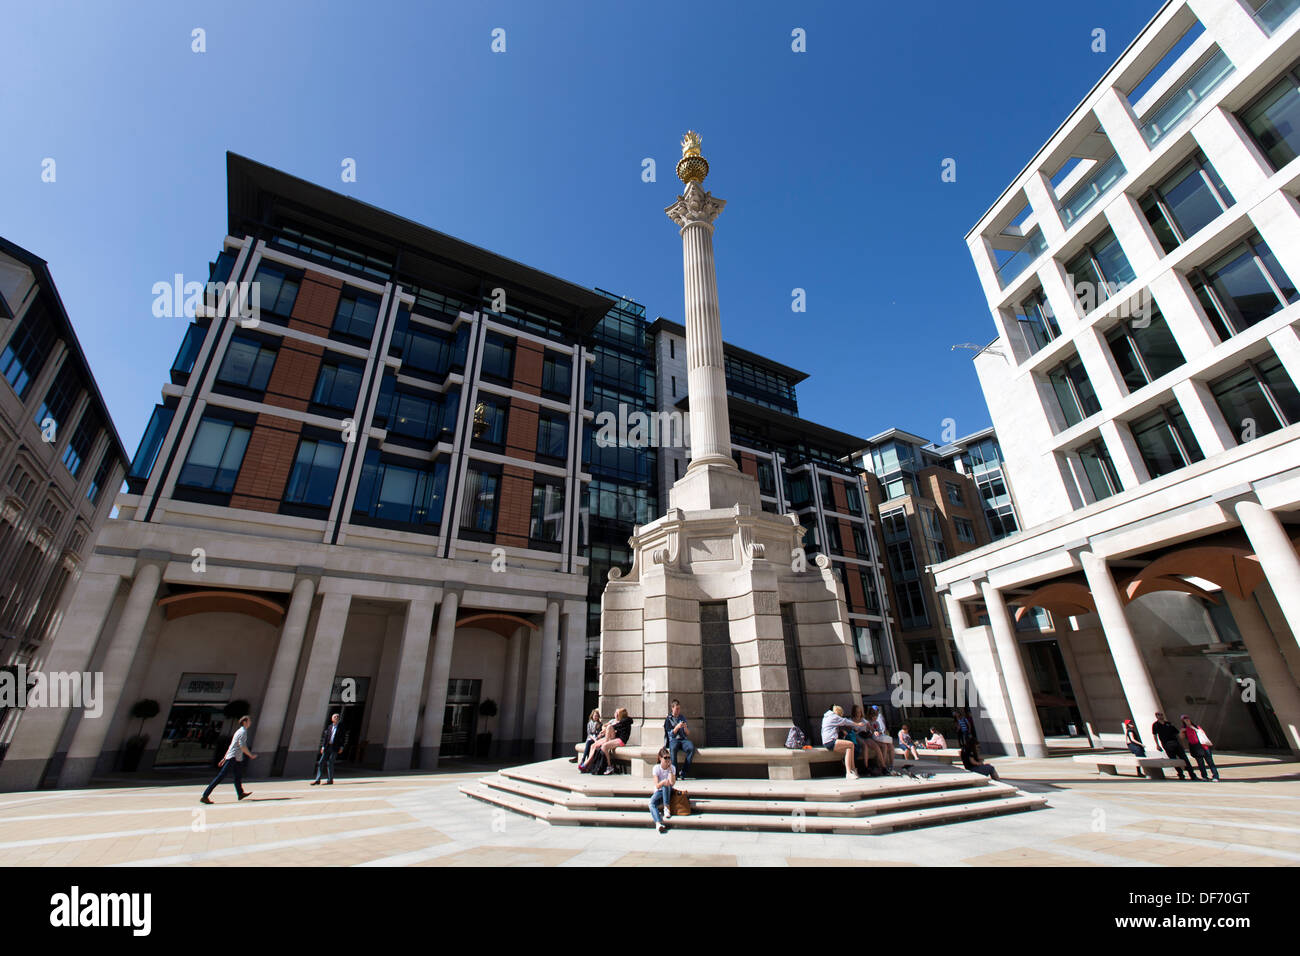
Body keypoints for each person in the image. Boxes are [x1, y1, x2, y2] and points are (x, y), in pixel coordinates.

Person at [200, 715, 256, 804]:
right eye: (249, 721)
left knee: (237, 776)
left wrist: (224, 758)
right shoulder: (242, 732)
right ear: (245, 722)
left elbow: (232, 745)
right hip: (233, 757)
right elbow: (242, 746)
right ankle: (205, 796)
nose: (250, 723)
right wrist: (250, 755)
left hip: (236, 757)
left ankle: (240, 793)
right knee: (221, 776)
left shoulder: (239, 731)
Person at [821, 705, 863, 779]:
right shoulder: (834, 717)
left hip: (827, 742)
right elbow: (845, 721)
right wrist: (857, 724)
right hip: (831, 741)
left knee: (849, 749)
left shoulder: (827, 717)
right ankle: (850, 771)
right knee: (851, 744)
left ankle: (852, 770)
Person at [586, 707, 632, 775]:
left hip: (621, 740)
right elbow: (608, 725)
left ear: (621, 714)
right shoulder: (621, 721)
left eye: (617, 713)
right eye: (615, 713)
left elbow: (615, 726)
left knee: (604, 746)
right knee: (596, 744)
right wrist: (605, 728)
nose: (616, 715)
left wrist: (606, 729)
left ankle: (609, 766)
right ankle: (590, 764)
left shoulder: (624, 721)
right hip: (616, 738)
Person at [1152, 711, 1196, 780]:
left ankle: (1192, 775)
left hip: (1175, 743)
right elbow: (1155, 735)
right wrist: (1157, 745)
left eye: (1161, 714)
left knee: (1184, 758)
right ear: (1156, 716)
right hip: (1166, 744)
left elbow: (1177, 733)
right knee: (1173, 760)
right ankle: (1180, 774)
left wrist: (1181, 742)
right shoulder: (1155, 725)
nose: (1160, 716)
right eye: (1158, 715)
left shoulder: (1169, 724)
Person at [1181, 714, 1220, 781]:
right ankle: (1204, 776)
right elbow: (1182, 737)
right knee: (1200, 763)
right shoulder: (1184, 729)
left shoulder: (1196, 726)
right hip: (1196, 748)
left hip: (1204, 747)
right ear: (1182, 721)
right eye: (1184, 719)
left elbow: (1200, 732)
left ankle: (1215, 776)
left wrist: (1190, 726)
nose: (1186, 719)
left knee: (1210, 762)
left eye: (1187, 718)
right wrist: (1181, 731)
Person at [663, 699, 695, 780]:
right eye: (676, 709)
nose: (678, 710)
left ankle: (683, 772)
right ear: (672, 708)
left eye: (679, 708)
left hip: (683, 740)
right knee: (673, 749)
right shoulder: (668, 719)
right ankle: (675, 773)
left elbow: (687, 733)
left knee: (691, 748)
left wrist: (685, 727)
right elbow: (670, 734)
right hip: (673, 740)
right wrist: (677, 727)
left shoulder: (682, 717)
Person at [849, 704, 885, 774]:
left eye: (859, 712)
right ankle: (866, 766)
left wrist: (875, 732)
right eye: (857, 712)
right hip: (856, 736)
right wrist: (854, 729)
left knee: (876, 746)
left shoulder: (863, 720)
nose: (858, 714)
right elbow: (849, 730)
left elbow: (872, 729)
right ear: (854, 712)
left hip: (864, 735)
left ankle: (883, 766)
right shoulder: (850, 720)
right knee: (864, 745)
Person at [648, 747, 677, 833]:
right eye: (665, 758)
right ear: (660, 758)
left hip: (669, 791)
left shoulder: (672, 767)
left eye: (669, 757)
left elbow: (672, 783)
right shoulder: (656, 768)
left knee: (667, 784)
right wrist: (663, 782)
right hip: (659, 792)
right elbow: (657, 786)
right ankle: (658, 823)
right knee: (651, 804)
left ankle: (666, 808)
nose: (667, 759)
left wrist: (670, 770)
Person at [311, 713, 345, 785]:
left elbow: (342, 738)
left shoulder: (341, 727)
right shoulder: (329, 727)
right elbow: (325, 738)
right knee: (321, 762)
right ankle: (317, 779)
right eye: (335, 717)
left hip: (335, 747)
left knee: (330, 762)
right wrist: (323, 747)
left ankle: (330, 780)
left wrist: (341, 747)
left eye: (337, 717)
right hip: (327, 746)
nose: (336, 718)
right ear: (332, 719)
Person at [869, 705, 895, 771]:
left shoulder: (877, 722)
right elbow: (868, 732)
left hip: (879, 738)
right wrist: (874, 732)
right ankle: (882, 764)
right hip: (872, 739)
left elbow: (880, 731)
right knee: (884, 746)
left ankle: (891, 764)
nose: (875, 717)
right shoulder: (868, 723)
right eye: (874, 716)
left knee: (891, 746)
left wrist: (879, 732)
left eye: (876, 716)